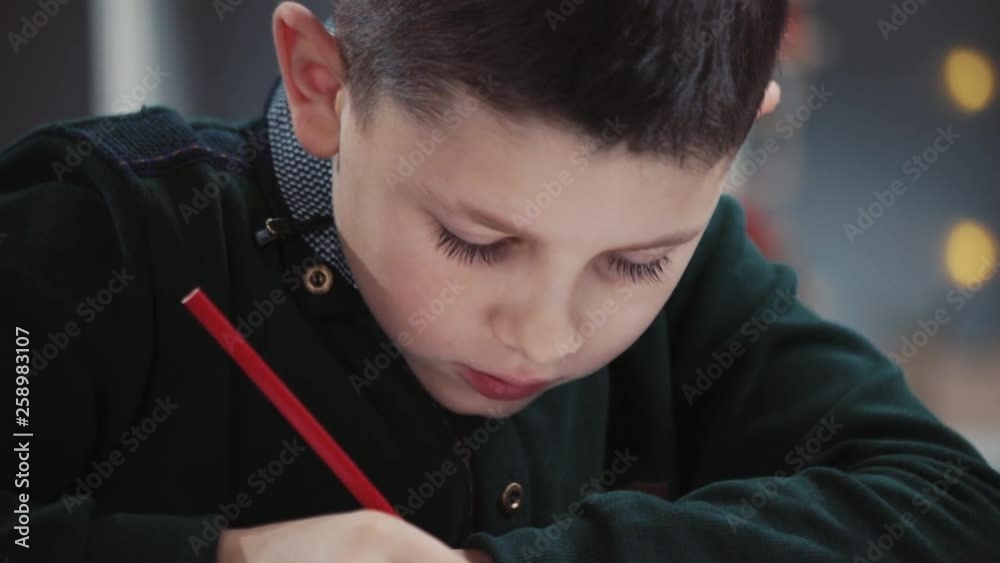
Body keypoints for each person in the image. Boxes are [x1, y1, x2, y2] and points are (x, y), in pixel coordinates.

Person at [2, 1, 998, 562]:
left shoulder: (703, 284)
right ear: (322, 81)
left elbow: (951, 503)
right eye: (477, 242)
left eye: (633, 262)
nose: (544, 337)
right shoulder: (92, 231)